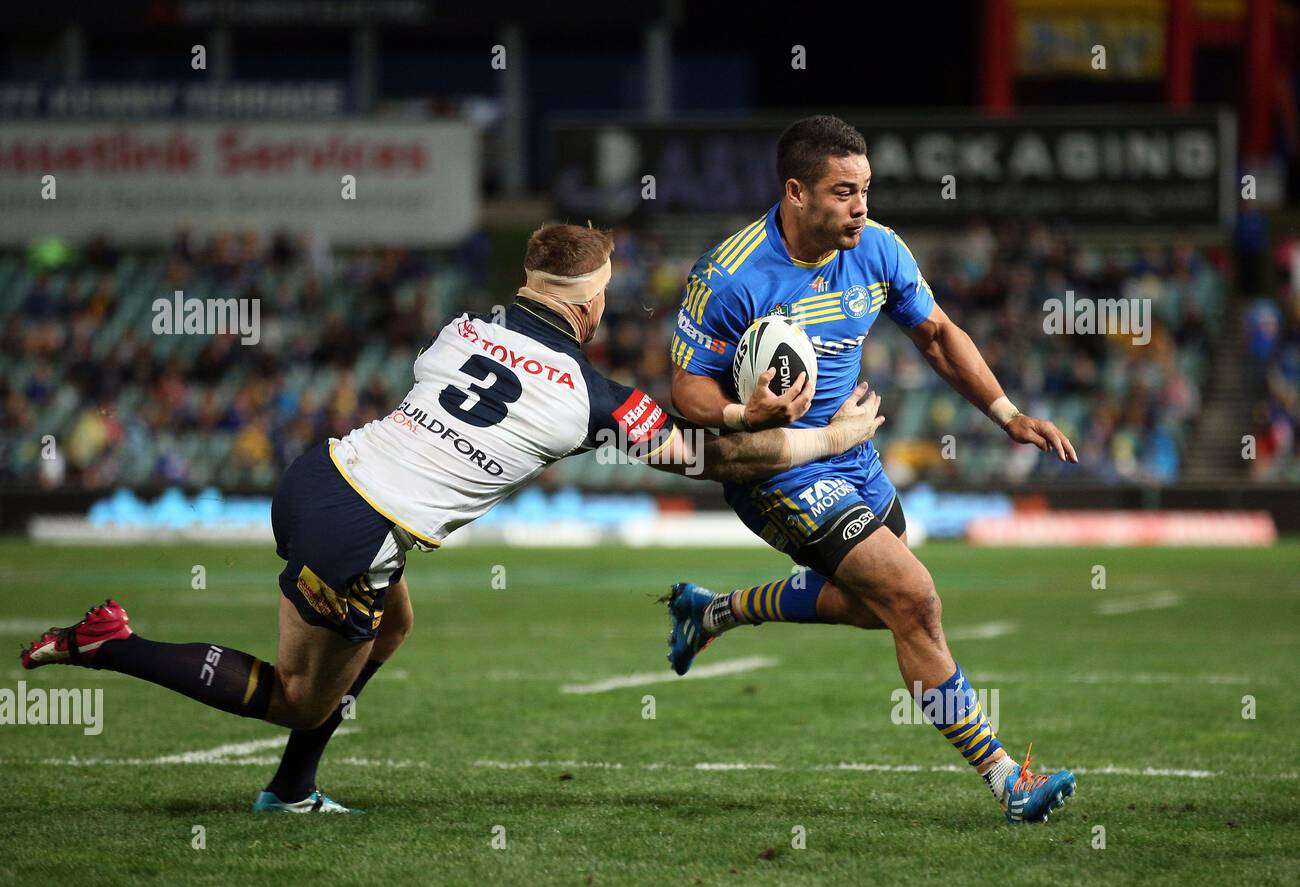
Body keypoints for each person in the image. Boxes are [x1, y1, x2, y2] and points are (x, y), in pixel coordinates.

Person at [21, 222, 886, 813]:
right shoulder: (590, 399)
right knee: (293, 696)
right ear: (588, 306)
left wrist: (736, 416)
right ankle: (109, 642)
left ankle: (292, 792)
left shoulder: (461, 326)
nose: (608, 308)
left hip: (319, 476)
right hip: (358, 534)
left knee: (393, 624)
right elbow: (718, 462)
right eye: (607, 295)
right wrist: (825, 433)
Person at [664, 116, 1079, 824]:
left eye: (866, 190)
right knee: (913, 597)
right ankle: (1008, 779)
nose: (861, 205)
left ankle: (715, 610)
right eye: (843, 191)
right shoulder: (728, 274)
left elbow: (938, 335)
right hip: (776, 467)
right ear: (795, 193)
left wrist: (1006, 412)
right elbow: (686, 388)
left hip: (853, 454)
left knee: (872, 604)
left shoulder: (879, 248)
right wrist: (746, 417)